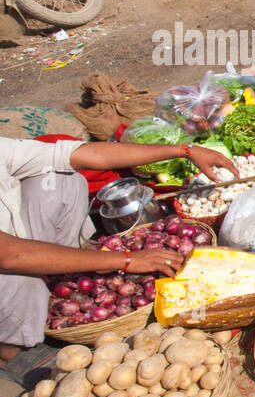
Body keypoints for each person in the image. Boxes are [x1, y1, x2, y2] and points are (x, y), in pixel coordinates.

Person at [0, 137, 236, 362]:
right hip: (9, 259)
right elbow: (10, 255)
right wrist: (126, 260)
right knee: (19, 279)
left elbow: (83, 154)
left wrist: (186, 150)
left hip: (18, 241)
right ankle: (14, 350)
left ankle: (58, 273)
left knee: (62, 179)